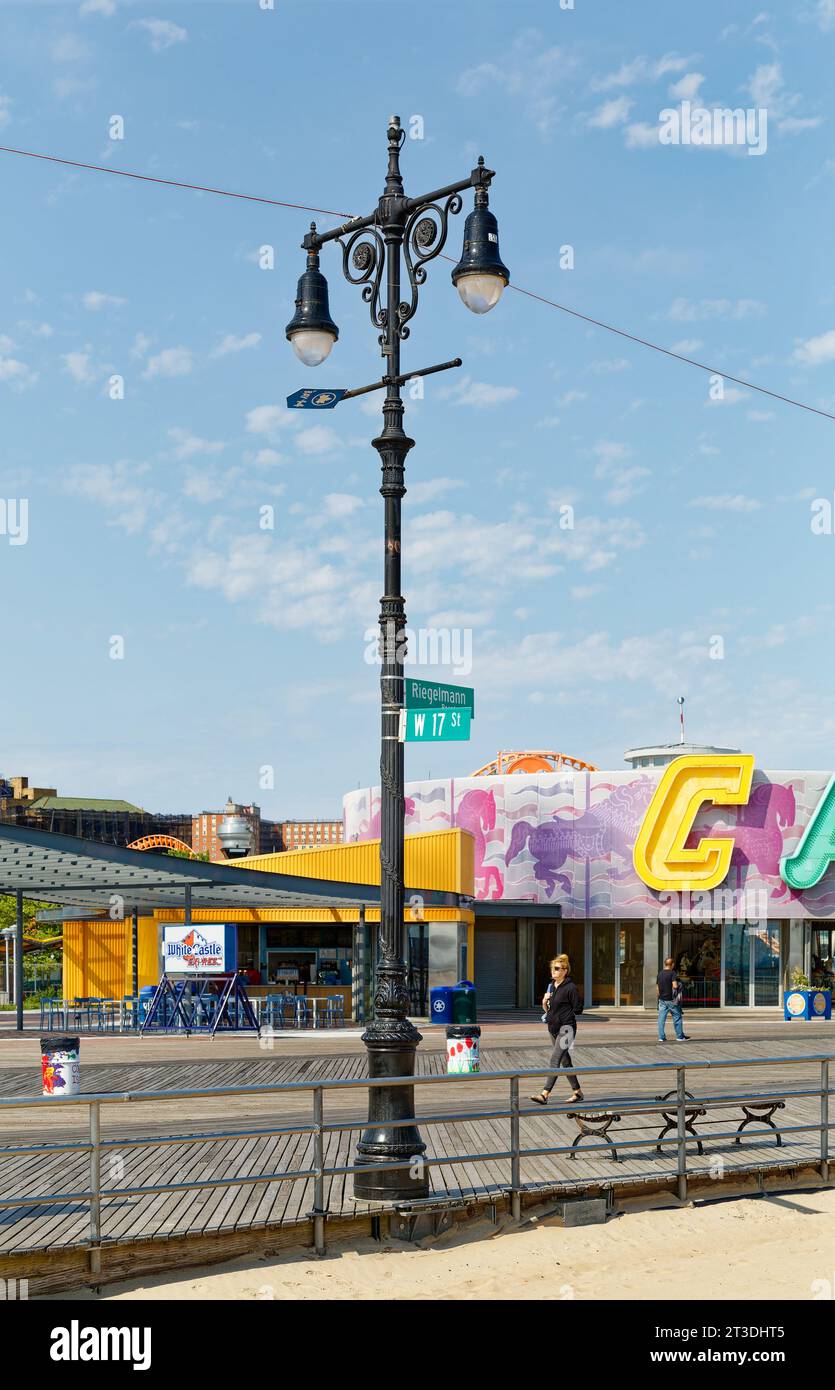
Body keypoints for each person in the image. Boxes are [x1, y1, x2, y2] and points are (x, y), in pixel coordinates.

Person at [530, 954, 584, 1105]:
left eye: (557, 968)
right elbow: (548, 1009)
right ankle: (578, 1092)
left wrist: (567, 1012)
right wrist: (544, 1001)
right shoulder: (551, 986)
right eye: (552, 968)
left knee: (555, 1059)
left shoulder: (571, 988)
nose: (553, 971)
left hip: (566, 1028)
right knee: (565, 1062)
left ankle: (544, 1094)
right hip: (552, 1028)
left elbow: (578, 1009)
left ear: (565, 971)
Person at [657, 955, 689, 1042]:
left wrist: (660, 996)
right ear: (672, 964)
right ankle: (680, 1036)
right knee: (677, 1017)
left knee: (661, 1019)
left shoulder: (659, 974)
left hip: (662, 1000)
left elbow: (657, 989)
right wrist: (679, 984)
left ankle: (661, 1037)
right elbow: (674, 986)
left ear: (665, 964)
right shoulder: (672, 973)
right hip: (671, 999)